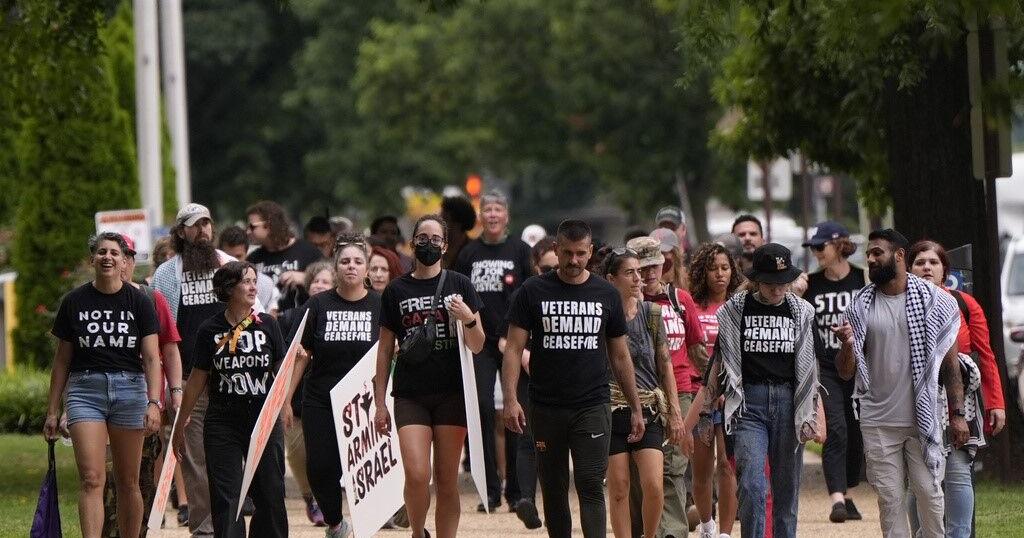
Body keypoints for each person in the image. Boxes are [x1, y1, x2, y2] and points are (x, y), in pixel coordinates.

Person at [502, 218, 645, 538]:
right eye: (567, 253)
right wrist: (511, 399)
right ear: (556, 249)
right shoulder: (533, 291)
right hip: (546, 405)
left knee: (591, 483)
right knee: (554, 488)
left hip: (592, 404)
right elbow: (513, 348)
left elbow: (620, 356)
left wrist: (635, 406)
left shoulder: (606, 294)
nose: (574, 260)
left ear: (590, 252)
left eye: (581, 253)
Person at [834, 229, 969, 538]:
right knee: (890, 502)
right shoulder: (858, 307)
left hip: (923, 418)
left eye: (877, 253)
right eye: (868, 254)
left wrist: (958, 414)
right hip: (878, 421)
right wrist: (847, 345)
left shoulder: (937, 303)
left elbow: (950, 365)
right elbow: (845, 372)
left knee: (930, 496)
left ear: (898, 256)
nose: (870, 259)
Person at [43, 232, 163, 538]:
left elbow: (152, 358)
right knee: (91, 478)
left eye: (114, 253)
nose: (107, 257)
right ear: (92, 259)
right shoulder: (74, 301)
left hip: (130, 390)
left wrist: (154, 402)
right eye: (101, 252)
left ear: (124, 262)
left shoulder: (140, 301)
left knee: (128, 481)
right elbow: (62, 361)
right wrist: (53, 411)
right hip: (86, 391)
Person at [373, 214, 486, 538]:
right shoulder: (396, 289)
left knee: (447, 480)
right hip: (410, 394)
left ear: (445, 245)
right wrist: (379, 403)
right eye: (422, 238)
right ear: (412, 243)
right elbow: (384, 350)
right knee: (417, 474)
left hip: (452, 393)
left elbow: (478, 344)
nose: (428, 244)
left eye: (436, 239)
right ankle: (417, 532)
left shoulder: (459, 284)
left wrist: (468, 318)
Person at [702, 243, 823, 538]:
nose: (777, 289)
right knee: (752, 484)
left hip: (789, 402)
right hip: (748, 405)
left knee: (786, 488)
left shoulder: (802, 312)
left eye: (783, 282)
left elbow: (812, 368)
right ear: (757, 280)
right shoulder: (736, 311)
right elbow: (719, 363)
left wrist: (817, 412)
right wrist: (705, 412)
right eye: (770, 283)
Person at [172, 261, 288, 537]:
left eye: (254, 281)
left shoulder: (268, 325)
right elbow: (197, 379)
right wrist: (180, 422)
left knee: (270, 491)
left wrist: (285, 406)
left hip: (263, 419)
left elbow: (282, 373)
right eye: (246, 281)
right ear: (228, 288)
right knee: (227, 496)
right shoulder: (209, 329)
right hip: (223, 421)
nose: (253, 287)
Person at [284, 235, 382, 538]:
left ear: (366, 269)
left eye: (358, 261)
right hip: (321, 399)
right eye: (345, 261)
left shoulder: (380, 305)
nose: (351, 266)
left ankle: (374, 519)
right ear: (335, 267)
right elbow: (301, 356)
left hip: (365, 401)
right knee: (320, 467)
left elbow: (392, 354)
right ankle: (336, 523)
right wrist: (286, 399)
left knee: (364, 468)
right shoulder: (317, 305)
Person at [907, 239, 1005, 537]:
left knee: (959, 471)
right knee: (919, 480)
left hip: (962, 401)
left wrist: (996, 403)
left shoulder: (965, 303)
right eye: (919, 262)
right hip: (916, 402)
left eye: (933, 262)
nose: (926, 267)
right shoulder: (902, 306)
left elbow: (985, 355)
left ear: (944, 270)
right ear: (909, 270)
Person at [152, 202, 235, 537]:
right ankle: (204, 528)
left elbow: (252, 312)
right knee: (195, 457)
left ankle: (229, 524)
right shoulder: (165, 274)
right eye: (195, 224)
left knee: (228, 455)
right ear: (181, 231)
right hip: (188, 380)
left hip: (231, 377)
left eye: (206, 223)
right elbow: (159, 331)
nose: (202, 230)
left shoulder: (228, 266)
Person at [95, 235, 184, 538]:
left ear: (130, 261)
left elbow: (169, 349)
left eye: (124, 255)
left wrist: (174, 393)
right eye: (106, 253)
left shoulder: (150, 299)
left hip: (143, 405)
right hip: (101, 404)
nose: (117, 262)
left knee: (139, 480)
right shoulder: (91, 299)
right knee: (103, 477)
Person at [453, 190, 535, 512]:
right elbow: (459, 296)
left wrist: (516, 338)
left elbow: (530, 294)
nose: (492, 215)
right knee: (483, 409)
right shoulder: (468, 253)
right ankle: (488, 490)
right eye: (487, 209)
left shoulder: (521, 250)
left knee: (515, 410)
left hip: (513, 340)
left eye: (498, 209)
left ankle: (516, 490)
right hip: (480, 342)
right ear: (481, 216)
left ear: (506, 216)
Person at [626, 235, 706, 538]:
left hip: (680, 389)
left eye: (654, 267)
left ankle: (671, 532)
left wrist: (710, 387)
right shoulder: (627, 306)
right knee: (640, 468)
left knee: (674, 465)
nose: (648, 274)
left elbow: (697, 348)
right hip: (639, 392)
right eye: (641, 268)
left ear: (664, 265)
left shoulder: (680, 300)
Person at [603, 247, 685, 538]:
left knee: (654, 485)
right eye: (630, 273)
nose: (639, 278)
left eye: (639, 272)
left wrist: (674, 412)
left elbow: (665, 365)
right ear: (612, 279)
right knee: (619, 487)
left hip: (649, 407)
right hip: (612, 409)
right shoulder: (602, 316)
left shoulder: (652, 314)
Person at [801, 221, 866, 523]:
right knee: (836, 428)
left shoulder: (862, 279)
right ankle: (837, 498)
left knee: (856, 430)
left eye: (820, 246)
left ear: (839, 245)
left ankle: (848, 492)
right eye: (813, 248)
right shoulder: (810, 285)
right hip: (824, 367)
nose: (816, 253)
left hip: (858, 366)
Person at [682, 242, 743, 538]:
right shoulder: (692, 306)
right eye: (713, 268)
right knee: (701, 470)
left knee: (727, 466)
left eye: (725, 268)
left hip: (731, 396)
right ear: (701, 272)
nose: (720, 274)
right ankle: (707, 525)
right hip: (699, 395)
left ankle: (726, 533)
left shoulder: (740, 306)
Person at [277, 260, 335, 528]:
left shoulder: (339, 316)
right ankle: (309, 496)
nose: (319, 286)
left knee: (326, 456)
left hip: (327, 396)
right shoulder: (291, 317)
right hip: (296, 397)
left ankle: (326, 501)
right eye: (316, 281)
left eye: (326, 282)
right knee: (297, 452)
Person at [246, 200, 324, 312]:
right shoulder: (253, 258)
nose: (248, 231)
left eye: (252, 227)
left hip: (301, 319)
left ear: (269, 225)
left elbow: (331, 282)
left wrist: (306, 278)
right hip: (265, 321)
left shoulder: (308, 252)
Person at [219, 224, 279, 316]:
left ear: (246, 253)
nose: (233, 261)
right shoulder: (213, 284)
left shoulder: (265, 284)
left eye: (238, 256)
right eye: (228, 256)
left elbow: (271, 318)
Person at [441, 195, 477, 269]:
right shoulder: (434, 249)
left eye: (444, 219)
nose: (439, 224)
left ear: (458, 224)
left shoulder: (474, 253)